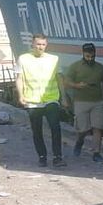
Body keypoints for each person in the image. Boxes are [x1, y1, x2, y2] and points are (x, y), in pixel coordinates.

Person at [16, 33, 66, 167]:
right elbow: (20, 78)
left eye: (43, 44)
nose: (40, 47)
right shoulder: (23, 59)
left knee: (55, 127)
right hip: (32, 101)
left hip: (51, 99)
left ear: (46, 45)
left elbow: (59, 79)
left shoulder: (54, 59)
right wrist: (20, 95)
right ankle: (42, 156)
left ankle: (57, 156)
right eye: (38, 44)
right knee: (37, 130)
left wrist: (64, 97)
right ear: (32, 44)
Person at [64, 42, 103, 163]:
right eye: (88, 56)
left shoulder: (100, 67)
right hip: (81, 101)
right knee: (83, 129)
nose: (90, 58)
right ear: (83, 54)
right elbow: (66, 82)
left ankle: (96, 153)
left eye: (92, 56)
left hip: (98, 101)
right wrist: (76, 85)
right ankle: (80, 141)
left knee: (98, 127)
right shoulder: (75, 67)